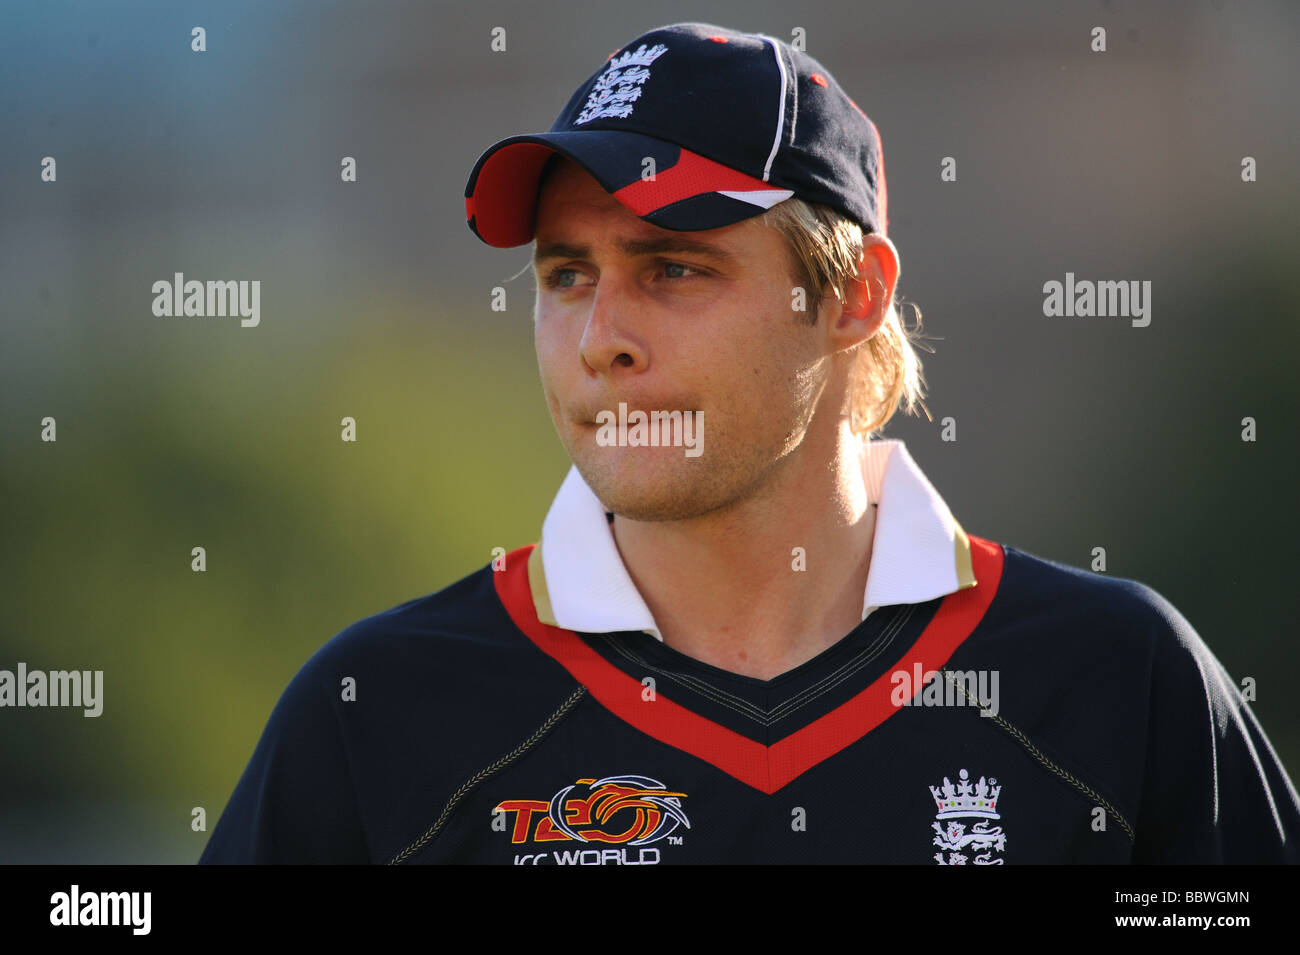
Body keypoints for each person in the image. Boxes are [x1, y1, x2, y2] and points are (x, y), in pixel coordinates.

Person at [200, 21, 1299, 865]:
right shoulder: (375, 713)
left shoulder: (1114, 681)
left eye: (673, 268)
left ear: (853, 295)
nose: (600, 342)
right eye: (564, 275)